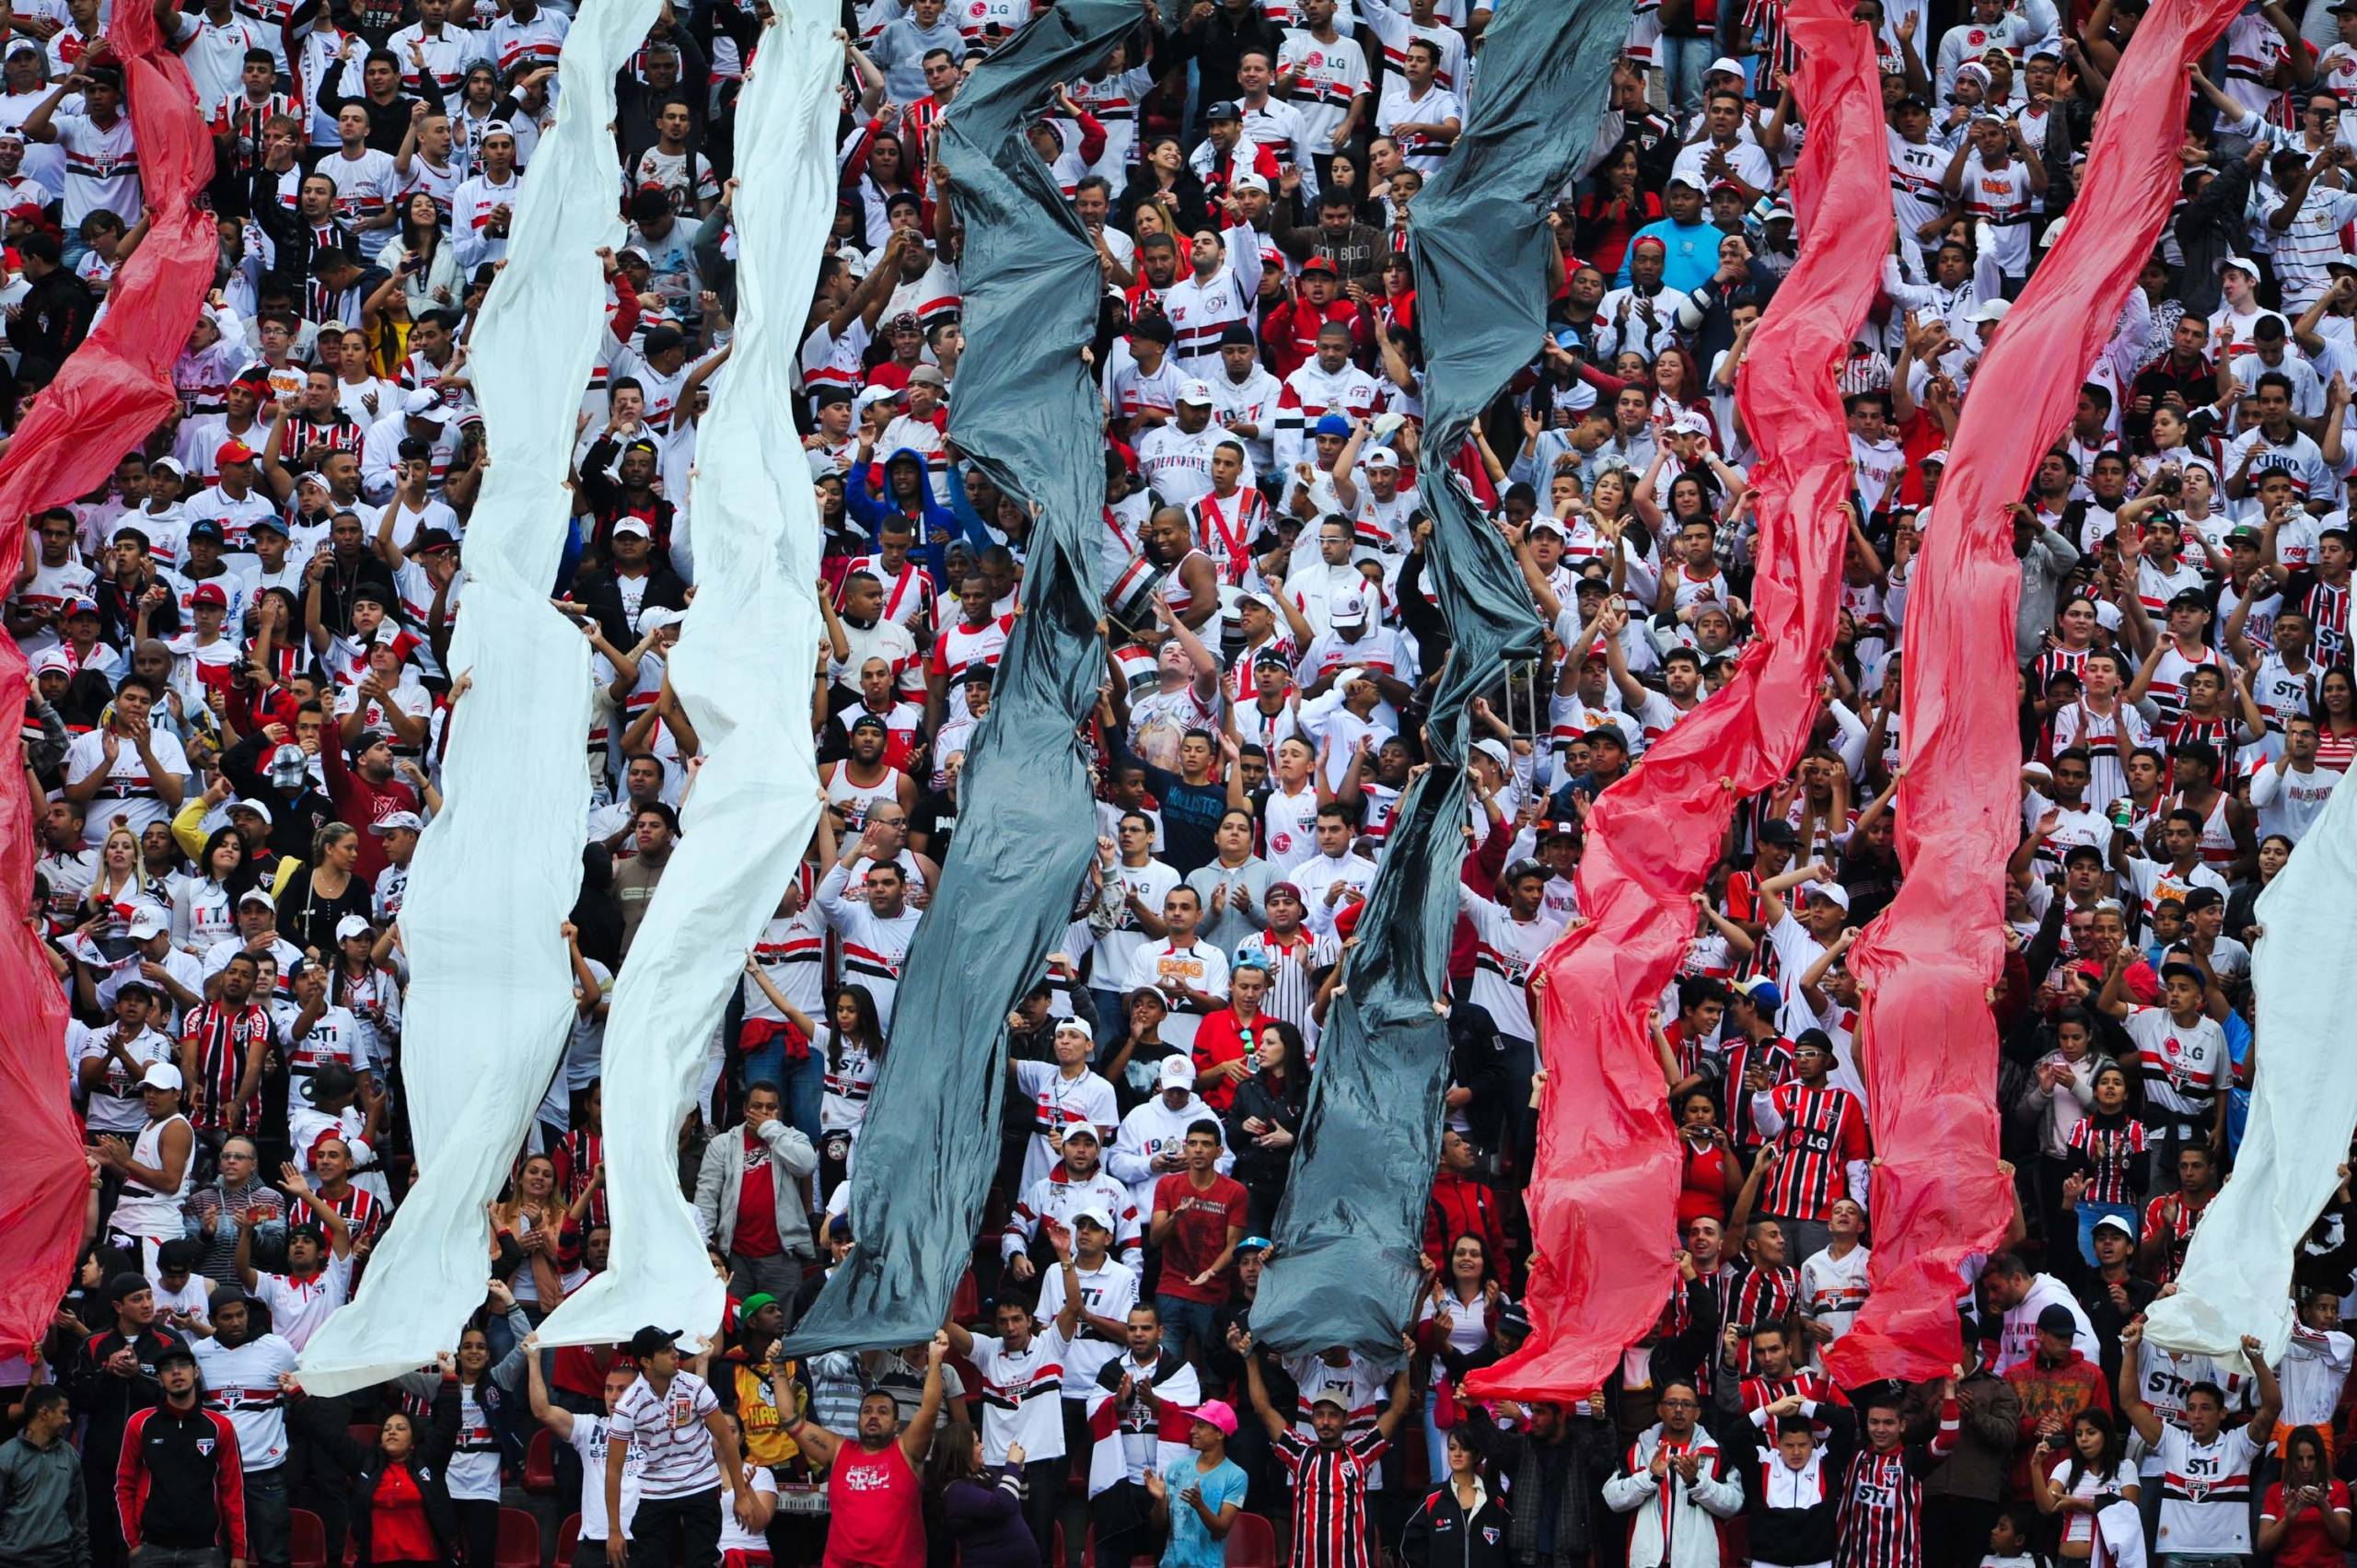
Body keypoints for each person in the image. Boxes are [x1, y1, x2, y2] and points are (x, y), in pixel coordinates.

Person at [942, 1245, 1085, 1562]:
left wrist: (1064, 1259)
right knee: (1001, 1545)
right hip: (994, 1464)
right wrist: (949, 1276)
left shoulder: (1051, 1346)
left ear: (1030, 1320)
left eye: (1017, 1320)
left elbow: (1075, 1307)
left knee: (1040, 1543)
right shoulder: (987, 1351)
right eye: (1003, 1321)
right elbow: (948, 1327)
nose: (1010, 1328)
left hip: (1041, 1462)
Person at [1237, 1335, 1413, 1568]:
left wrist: (1404, 1363)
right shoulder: (1299, 1452)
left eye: (1333, 1415)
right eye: (1319, 1415)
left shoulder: (1360, 1452)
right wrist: (1250, 1359)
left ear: (1345, 1419)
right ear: (1311, 1419)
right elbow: (1262, 1409)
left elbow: (1399, 1409)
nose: (1326, 1422)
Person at [780, 1330, 949, 1568]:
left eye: (882, 1412)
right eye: (867, 1411)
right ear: (858, 1419)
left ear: (896, 1424)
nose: (873, 1416)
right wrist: (778, 1369)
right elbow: (790, 1420)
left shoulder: (907, 1451)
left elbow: (929, 1410)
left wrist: (935, 1360)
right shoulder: (838, 1450)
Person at [607, 1326, 749, 1568]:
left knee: (702, 1561)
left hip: (701, 1483)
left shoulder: (694, 1386)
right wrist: (614, 1531)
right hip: (656, 1489)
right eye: (666, 1350)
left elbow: (725, 1438)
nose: (676, 1354)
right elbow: (614, 1469)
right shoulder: (629, 1404)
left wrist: (741, 1496)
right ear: (646, 1361)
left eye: (674, 1347)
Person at [113, 1341, 247, 1568]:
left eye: (183, 1365)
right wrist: (132, 1542)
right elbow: (124, 1485)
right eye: (167, 1368)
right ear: (160, 1379)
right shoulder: (140, 1423)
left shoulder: (219, 1426)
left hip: (206, 1549)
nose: (176, 1371)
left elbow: (234, 1490)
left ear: (196, 1372)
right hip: (150, 1548)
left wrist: (239, 1552)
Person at [693, 1079, 819, 1303]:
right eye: (757, 1106)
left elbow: (806, 1164)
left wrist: (770, 1129)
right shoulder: (722, 1144)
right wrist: (706, 1245)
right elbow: (707, 1194)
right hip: (735, 1254)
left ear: (779, 1111)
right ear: (744, 1109)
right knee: (735, 1322)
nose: (763, 1112)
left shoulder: (793, 1138)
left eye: (771, 1108)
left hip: (781, 1254)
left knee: (779, 1325)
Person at [1603, 1379, 1745, 1568]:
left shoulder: (1715, 1453)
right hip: (1649, 1562)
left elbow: (1733, 1505)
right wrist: (1650, 1477)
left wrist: (1698, 1481)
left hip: (1698, 1562)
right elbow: (1612, 1499)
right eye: (1671, 1403)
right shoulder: (1639, 1450)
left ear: (1697, 1413)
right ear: (1659, 1409)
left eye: (1686, 1404)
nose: (1679, 1409)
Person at [350, 1409, 460, 1567]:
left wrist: (450, 1385)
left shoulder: (430, 1462)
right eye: (387, 1429)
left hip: (426, 1559)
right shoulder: (367, 1464)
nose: (392, 1432)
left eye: (400, 1428)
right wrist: (300, 1397)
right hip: (376, 1559)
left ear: (413, 1441)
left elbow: (449, 1422)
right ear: (380, 1441)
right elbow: (329, 1436)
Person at [926, 1422, 1036, 1568]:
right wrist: (1012, 1464)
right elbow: (1003, 1505)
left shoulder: (987, 1473)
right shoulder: (955, 1491)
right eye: (976, 1443)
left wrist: (1020, 1469)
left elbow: (1018, 1501)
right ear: (962, 1451)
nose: (982, 1446)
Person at [0, 1386, 87, 1568]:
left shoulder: (69, 1456)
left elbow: (78, 1516)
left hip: (59, 1560)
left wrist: (83, 1560)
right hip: (12, 1561)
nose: (68, 1420)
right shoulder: (7, 1455)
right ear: (45, 1413)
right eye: (64, 1413)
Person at [1399, 1424, 1507, 1568]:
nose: (1457, 1453)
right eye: (1452, 1448)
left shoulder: (1495, 1500)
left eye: (1464, 1448)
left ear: (1477, 1454)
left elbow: (1509, 1550)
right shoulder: (1433, 1498)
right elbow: (1410, 1546)